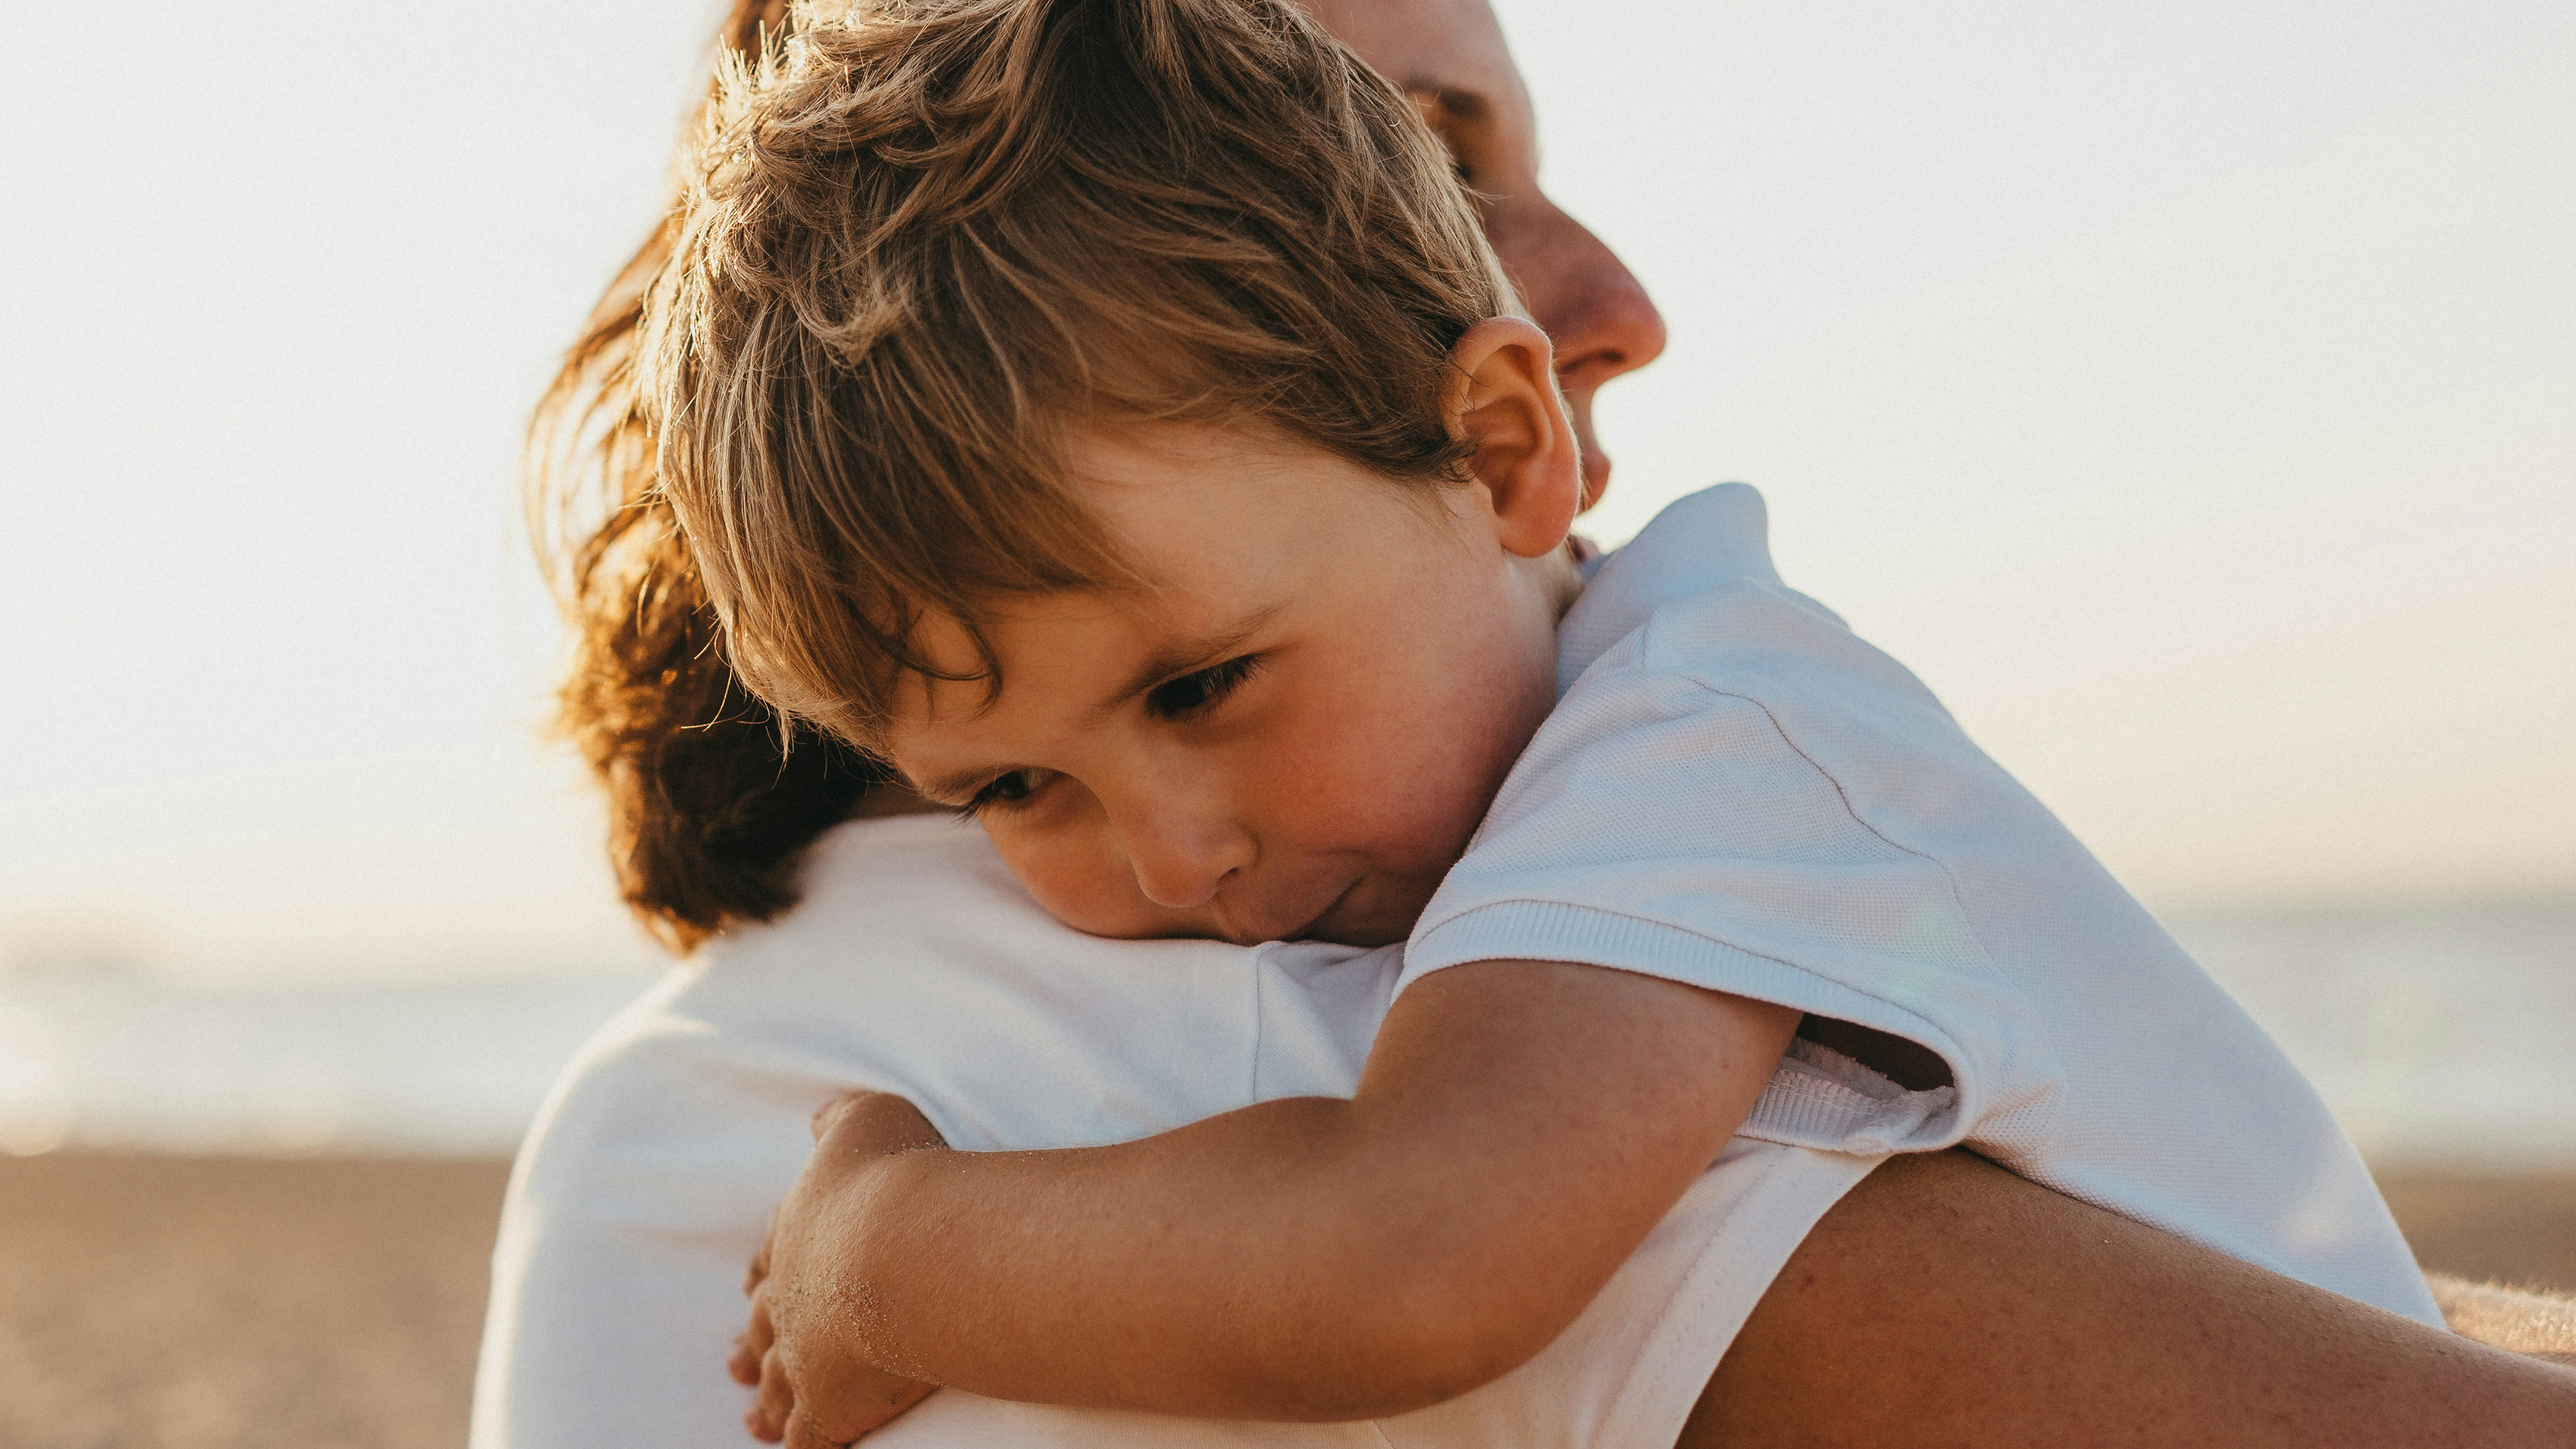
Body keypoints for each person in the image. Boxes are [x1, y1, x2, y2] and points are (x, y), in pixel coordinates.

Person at [476, 3, 2576, 1448]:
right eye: (1022, 786)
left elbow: (1411, 1239)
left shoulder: (1692, 736)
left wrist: (889, 1253)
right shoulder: (1098, 1004)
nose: (1171, 861)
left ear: (1490, 452)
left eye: (1202, 690)